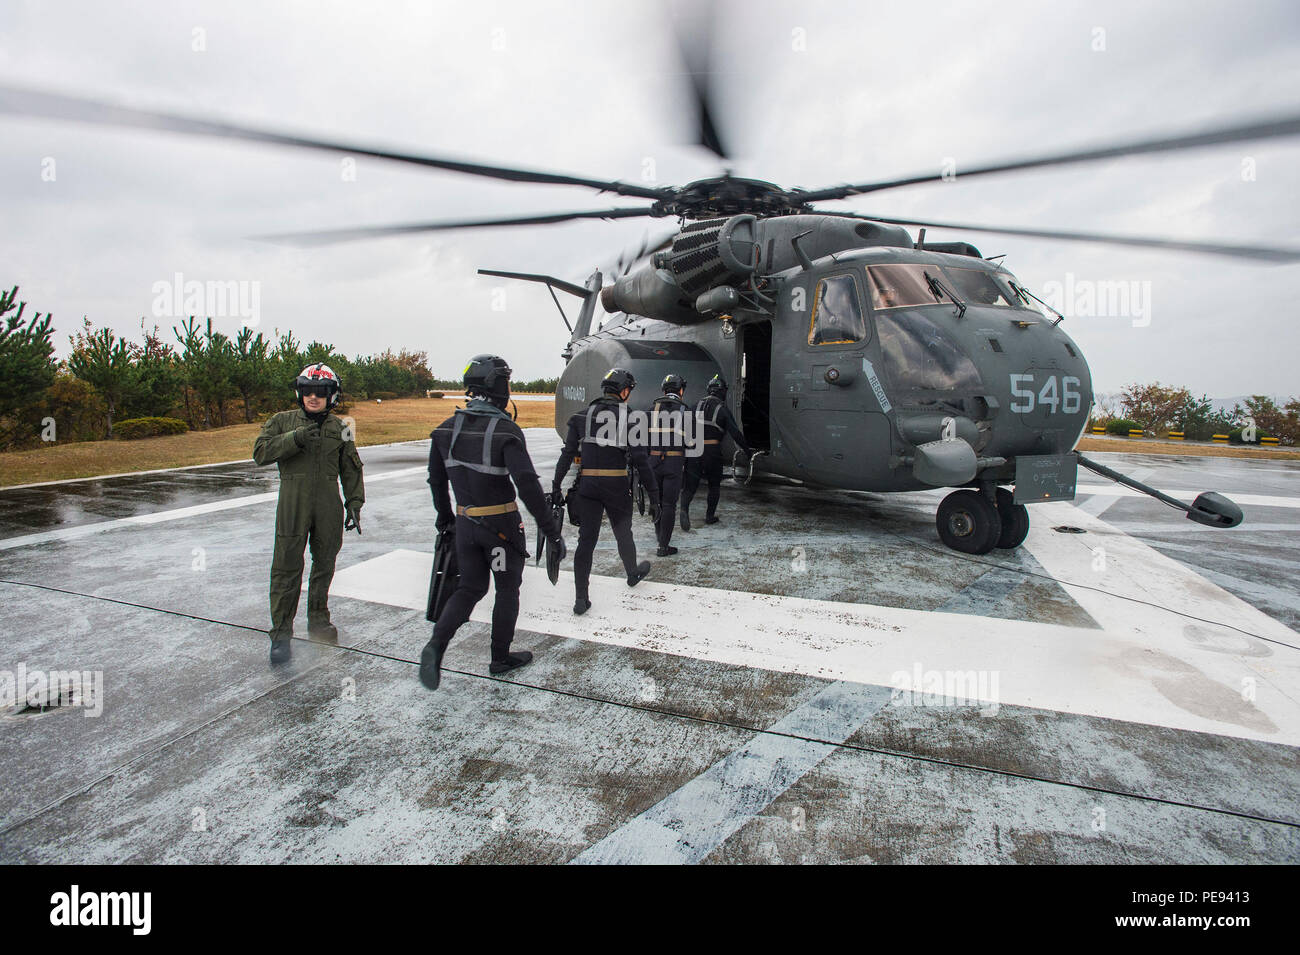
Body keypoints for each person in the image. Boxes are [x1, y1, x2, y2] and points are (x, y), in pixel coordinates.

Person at [420, 354, 563, 691]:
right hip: (500, 530)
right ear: (499, 386)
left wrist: (446, 521)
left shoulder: (444, 431)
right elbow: (527, 484)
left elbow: (435, 481)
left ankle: (435, 646)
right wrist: (550, 530)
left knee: (469, 588)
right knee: (506, 589)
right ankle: (500, 657)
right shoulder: (505, 430)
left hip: (465, 526)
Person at [253, 363, 364, 664]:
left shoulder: (340, 429)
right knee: (286, 568)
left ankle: (318, 622)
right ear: (299, 393)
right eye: (307, 392)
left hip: (328, 502)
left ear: (333, 395)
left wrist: (354, 502)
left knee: (324, 565)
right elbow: (260, 453)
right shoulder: (281, 421)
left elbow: (351, 468)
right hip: (293, 501)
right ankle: (280, 635)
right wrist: (295, 438)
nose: (313, 397)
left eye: (320, 392)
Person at [553, 367, 655, 615]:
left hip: (588, 486)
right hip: (616, 486)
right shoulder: (630, 417)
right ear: (623, 391)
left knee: (585, 543)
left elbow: (567, 456)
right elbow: (641, 459)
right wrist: (655, 495)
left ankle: (580, 599)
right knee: (624, 534)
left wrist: (556, 486)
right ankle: (631, 574)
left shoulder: (581, 417)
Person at [680, 374, 754, 530]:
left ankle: (684, 510)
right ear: (722, 392)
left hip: (694, 449)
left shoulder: (695, 405)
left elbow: (683, 429)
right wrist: (747, 451)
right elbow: (735, 433)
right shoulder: (722, 409)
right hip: (712, 451)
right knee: (714, 485)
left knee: (690, 486)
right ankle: (709, 516)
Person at [648, 373, 690, 556]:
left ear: (664, 390)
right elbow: (692, 442)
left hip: (653, 462)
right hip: (674, 463)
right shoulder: (685, 410)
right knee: (669, 505)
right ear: (680, 390)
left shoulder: (651, 409)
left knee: (656, 501)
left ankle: (659, 536)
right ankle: (663, 546)